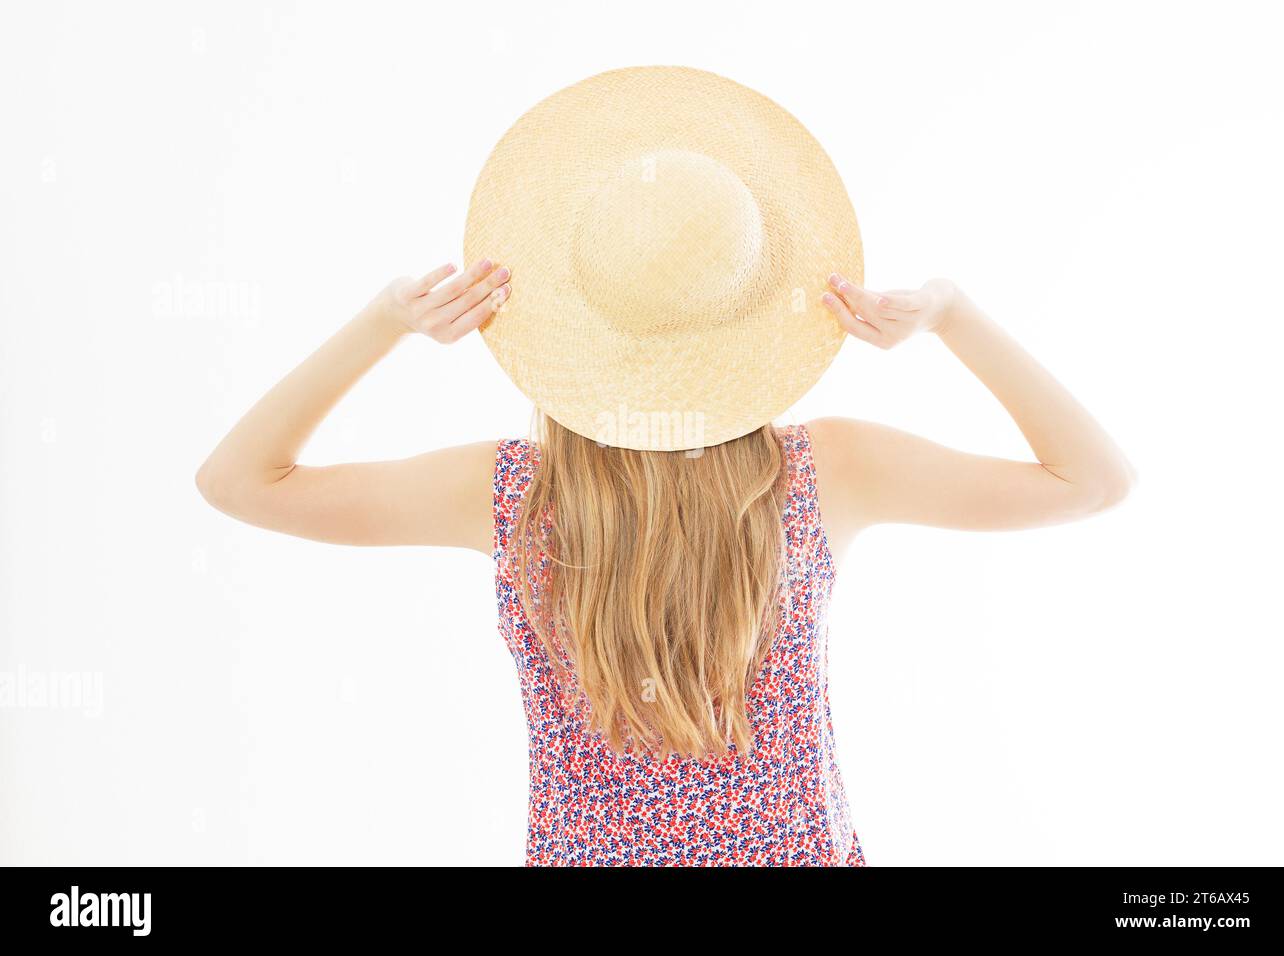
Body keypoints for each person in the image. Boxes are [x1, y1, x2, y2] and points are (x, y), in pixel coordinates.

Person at [195, 67, 1135, 866]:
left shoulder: (511, 496)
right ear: (752, 306)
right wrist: (953, 315)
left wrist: (383, 326)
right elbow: (1093, 480)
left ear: (579, 317)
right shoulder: (828, 471)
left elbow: (239, 481)